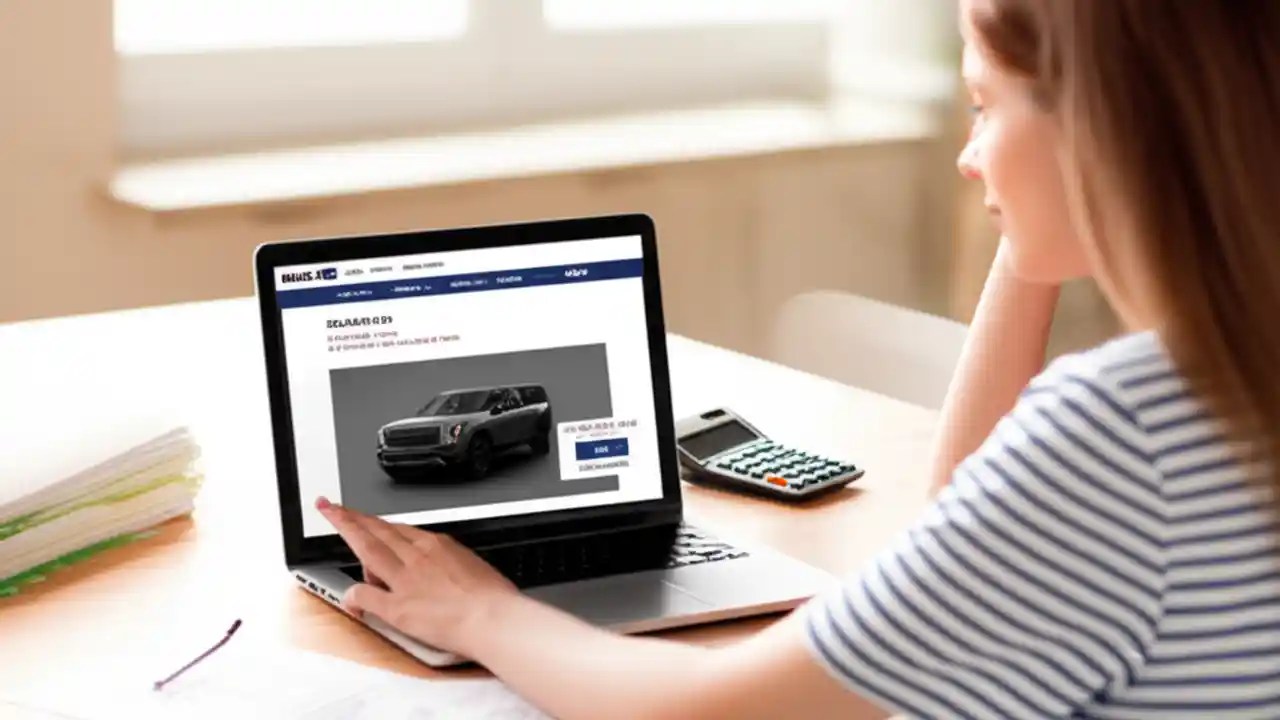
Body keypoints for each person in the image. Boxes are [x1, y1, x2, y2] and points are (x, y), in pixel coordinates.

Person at [315, 0, 1280, 716]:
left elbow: (700, 714)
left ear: (1103, 122)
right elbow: (971, 521)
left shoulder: (1125, 433)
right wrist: (1051, 210)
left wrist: (482, 613)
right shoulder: (1224, 389)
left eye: (983, 106)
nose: (967, 154)